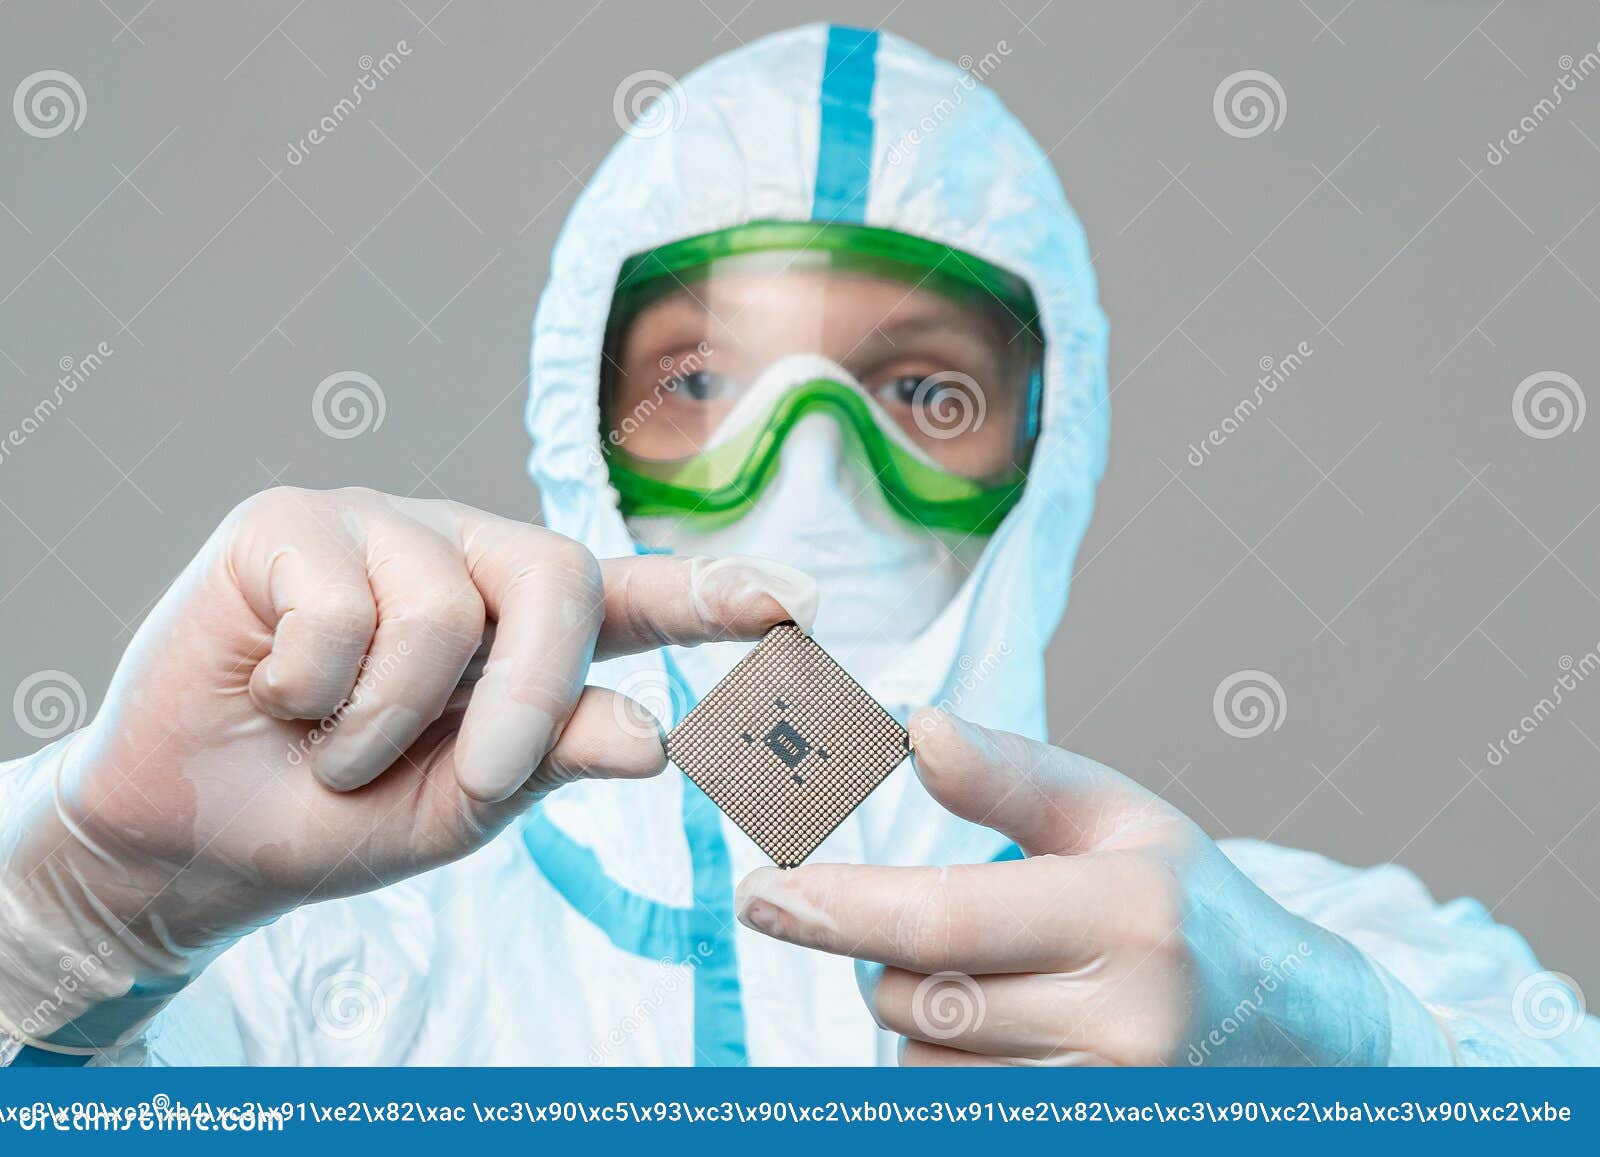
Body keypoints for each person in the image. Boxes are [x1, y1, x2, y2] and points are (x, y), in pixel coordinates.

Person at [1, 24, 1594, 1068]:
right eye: (702, 384)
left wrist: (1352, 1071)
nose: (814, 467)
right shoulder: (298, 982)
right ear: (578, 422)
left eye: (923, 393)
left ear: (1050, 447)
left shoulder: (1307, 969)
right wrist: (74, 907)